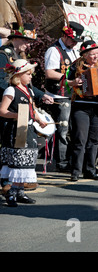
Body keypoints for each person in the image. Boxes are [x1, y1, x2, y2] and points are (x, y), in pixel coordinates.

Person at [0, 21, 53, 195]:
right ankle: (8, 183)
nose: (30, 44)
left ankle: (17, 186)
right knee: (9, 146)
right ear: (16, 38)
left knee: (20, 148)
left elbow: (26, 84)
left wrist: (39, 94)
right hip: (9, 105)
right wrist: (16, 95)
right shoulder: (4, 54)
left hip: (20, 105)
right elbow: (3, 81)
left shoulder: (17, 56)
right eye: (27, 41)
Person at [0, 59, 48, 206]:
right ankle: (12, 193)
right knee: (16, 162)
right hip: (15, 131)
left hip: (28, 130)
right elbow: (2, 111)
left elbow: (32, 109)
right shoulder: (11, 90)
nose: (31, 76)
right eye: (28, 74)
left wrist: (39, 119)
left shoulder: (29, 90)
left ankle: (20, 192)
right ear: (19, 75)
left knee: (25, 161)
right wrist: (16, 115)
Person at [66, 40, 98, 181]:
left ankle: (90, 170)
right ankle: (75, 170)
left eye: (97, 53)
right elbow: (64, 82)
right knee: (80, 138)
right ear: (85, 55)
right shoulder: (75, 66)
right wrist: (73, 83)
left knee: (94, 139)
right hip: (81, 105)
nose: (95, 57)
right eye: (92, 54)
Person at [44, 21, 85, 172]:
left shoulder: (74, 50)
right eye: (73, 40)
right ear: (64, 36)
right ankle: (60, 162)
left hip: (72, 96)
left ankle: (70, 160)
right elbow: (50, 73)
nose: (75, 44)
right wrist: (70, 81)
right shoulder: (54, 50)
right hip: (58, 96)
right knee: (62, 130)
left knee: (73, 130)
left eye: (76, 41)